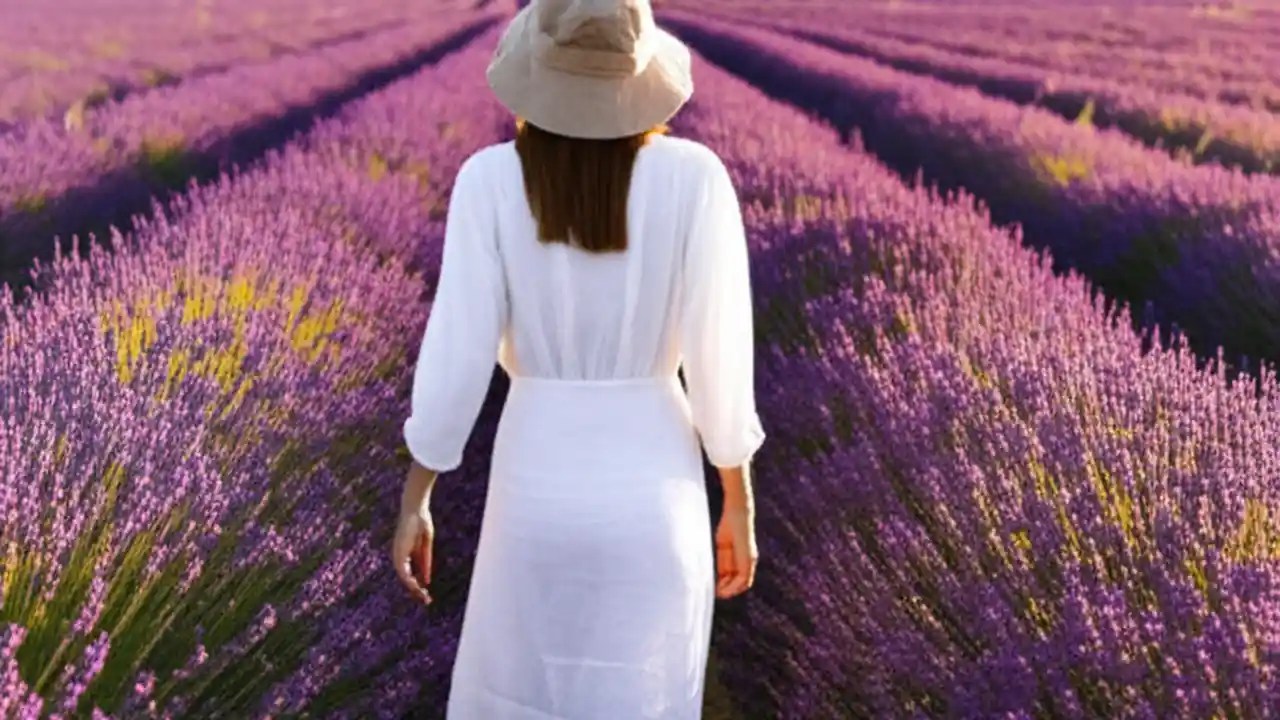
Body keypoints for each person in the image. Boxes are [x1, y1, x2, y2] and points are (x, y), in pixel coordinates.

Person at [391, 0, 766, 716]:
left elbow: (456, 356)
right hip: (654, 490)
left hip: (535, 487)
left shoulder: (489, 181)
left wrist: (418, 496)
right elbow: (720, 359)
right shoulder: (697, 179)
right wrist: (738, 501)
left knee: (521, 698)